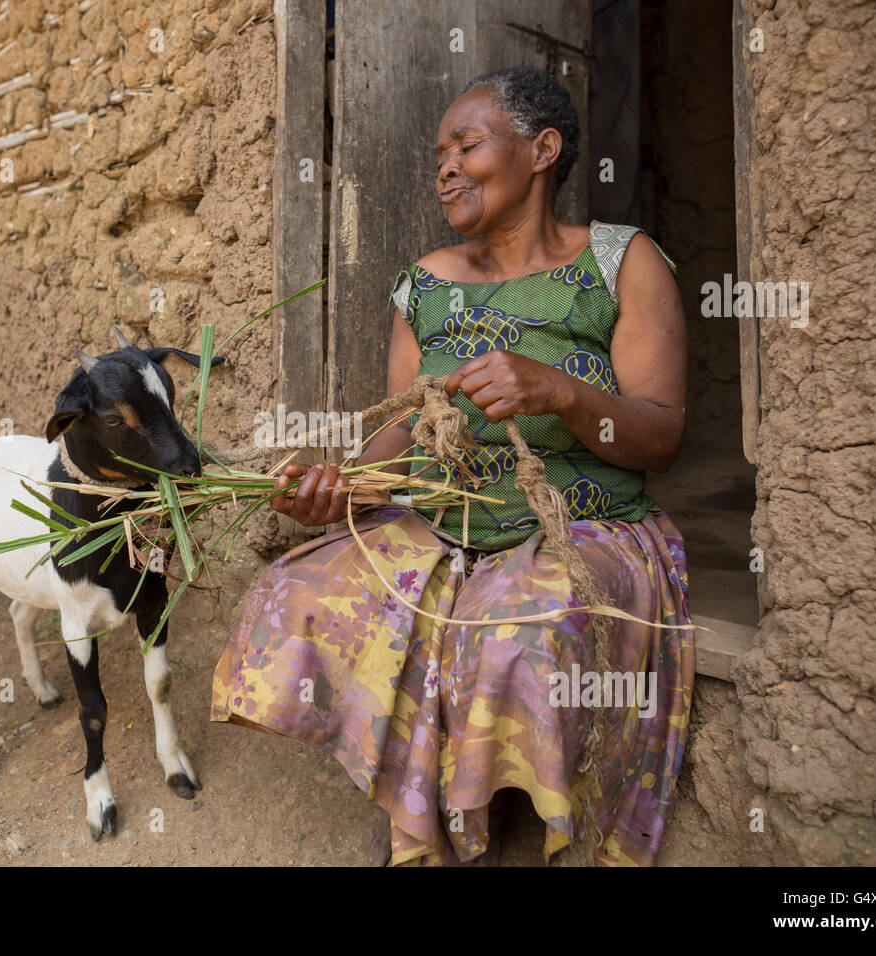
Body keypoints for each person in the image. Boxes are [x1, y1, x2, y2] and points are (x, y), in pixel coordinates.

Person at [211, 66, 693, 866]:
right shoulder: (424, 287)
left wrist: (561, 393)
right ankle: (416, 835)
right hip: (445, 520)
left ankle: (505, 831)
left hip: (578, 525)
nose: (444, 167)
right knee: (294, 590)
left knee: (507, 632)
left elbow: (662, 437)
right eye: (439, 153)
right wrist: (342, 492)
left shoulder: (619, 263)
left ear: (542, 150)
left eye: (466, 145)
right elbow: (400, 440)